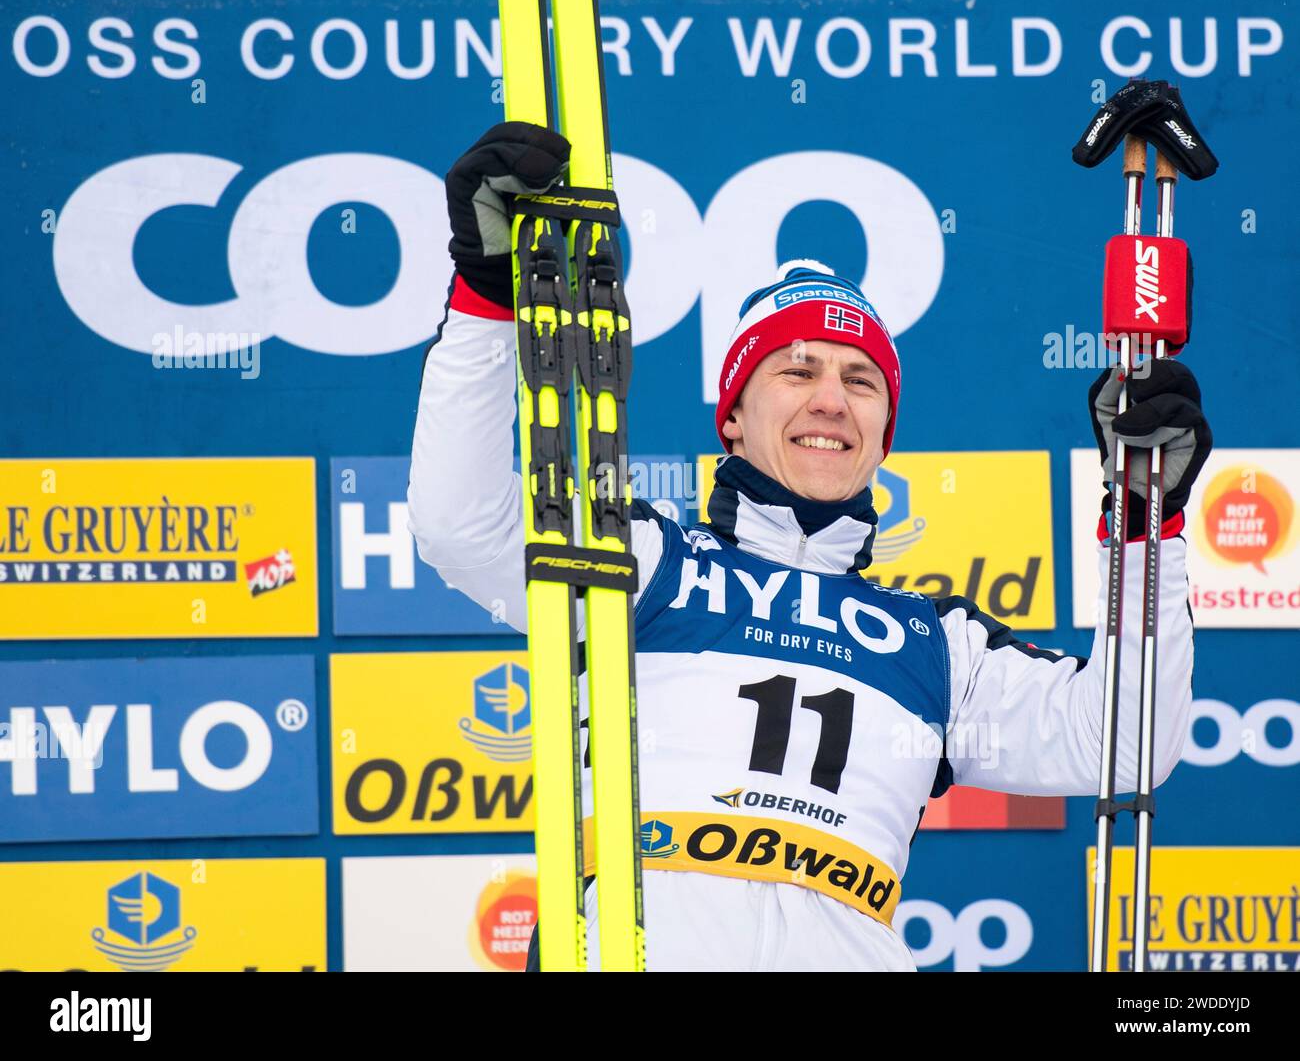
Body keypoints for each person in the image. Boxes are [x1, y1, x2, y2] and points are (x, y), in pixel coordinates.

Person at [408, 124, 1212, 971]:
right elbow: (462, 525)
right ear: (732, 419)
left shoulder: (934, 644)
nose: (832, 399)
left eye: (860, 381)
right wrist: (489, 297)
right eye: (796, 372)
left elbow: (1125, 739)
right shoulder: (641, 563)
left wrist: (1140, 523)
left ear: (884, 435)